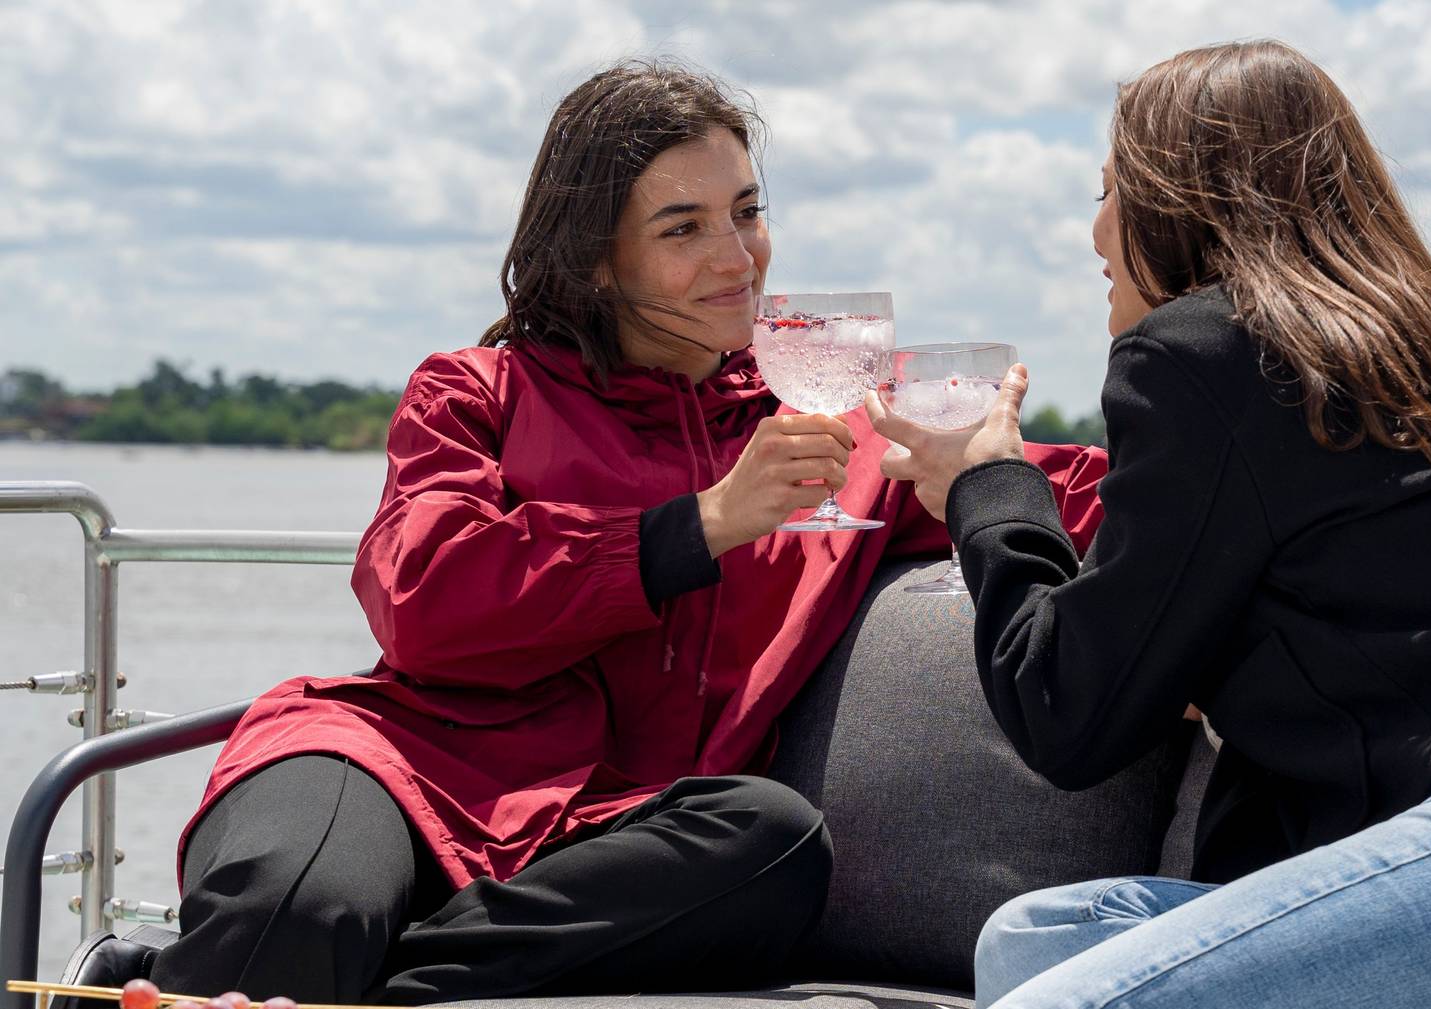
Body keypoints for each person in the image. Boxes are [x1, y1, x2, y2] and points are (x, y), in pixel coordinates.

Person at [61, 60, 1105, 1006]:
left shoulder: (840, 431)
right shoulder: (475, 393)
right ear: (598, 263)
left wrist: (1019, 468)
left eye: (748, 210)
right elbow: (424, 596)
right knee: (301, 914)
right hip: (394, 763)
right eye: (683, 227)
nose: (739, 255)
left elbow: (1109, 502)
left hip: (621, 835)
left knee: (774, 842)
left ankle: (329, 992)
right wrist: (701, 525)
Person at [870, 40, 1431, 1009]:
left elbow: (1068, 715)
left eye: (1109, 189)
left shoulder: (1196, 347)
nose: (1097, 231)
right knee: (1039, 942)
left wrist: (991, 487)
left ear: (1179, 198)